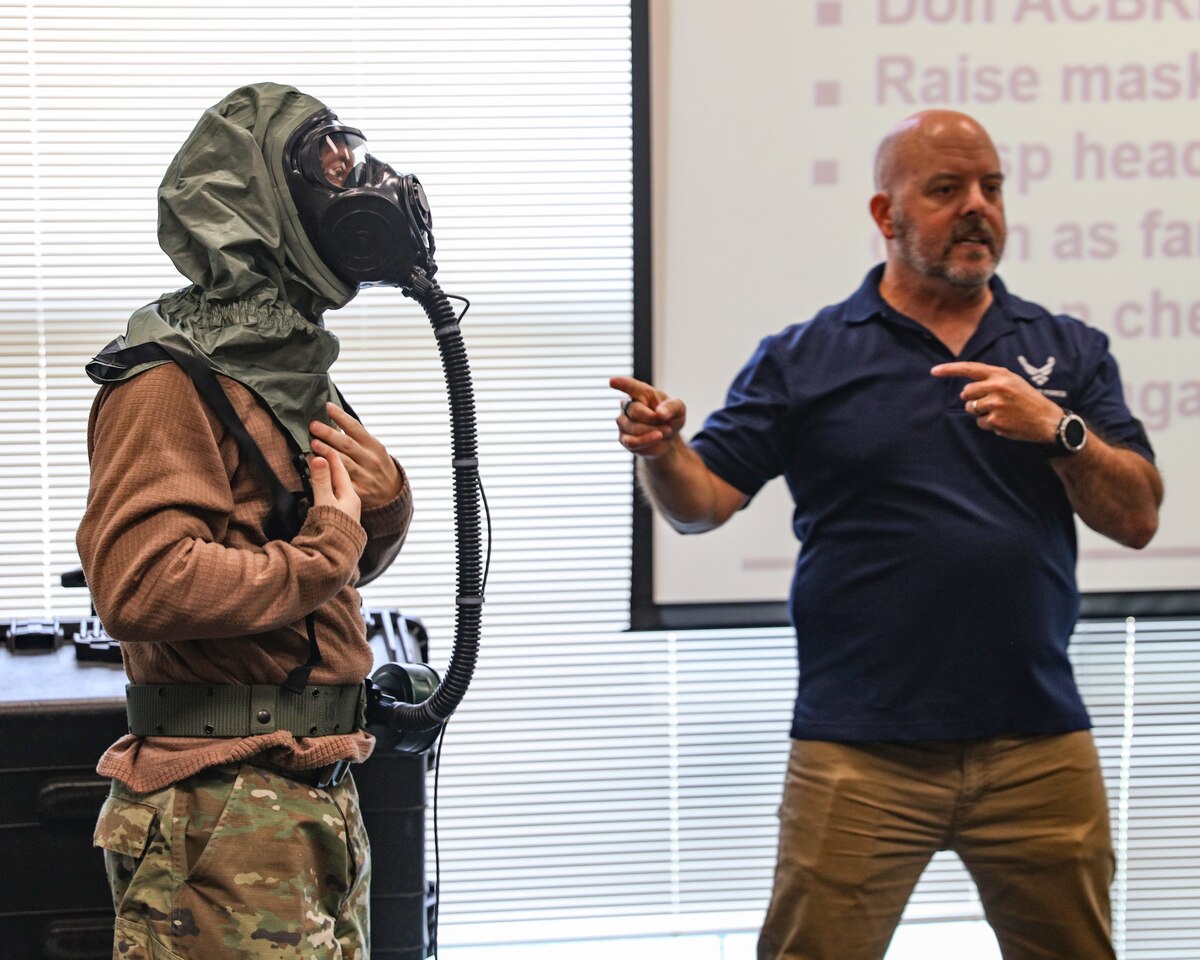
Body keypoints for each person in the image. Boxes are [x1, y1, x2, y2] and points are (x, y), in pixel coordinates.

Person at [612, 109, 1163, 960]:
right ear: (886, 215)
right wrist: (664, 450)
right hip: (857, 752)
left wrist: (1060, 429)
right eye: (946, 190)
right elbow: (701, 504)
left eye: (991, 187)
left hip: (1038, 742)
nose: (977, 206)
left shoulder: (1064, 349)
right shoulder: (805, 357)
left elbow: (1137, 516)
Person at [78, 83, 420, 958]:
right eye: (325, 164)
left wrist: (381, 509)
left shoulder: (281, 369)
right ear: (256, 199)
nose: (355, 184)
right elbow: (142, 586)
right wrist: (329, 549)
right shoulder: (164, 379)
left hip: (311, 789)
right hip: (218, 806)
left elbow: (322, 558)